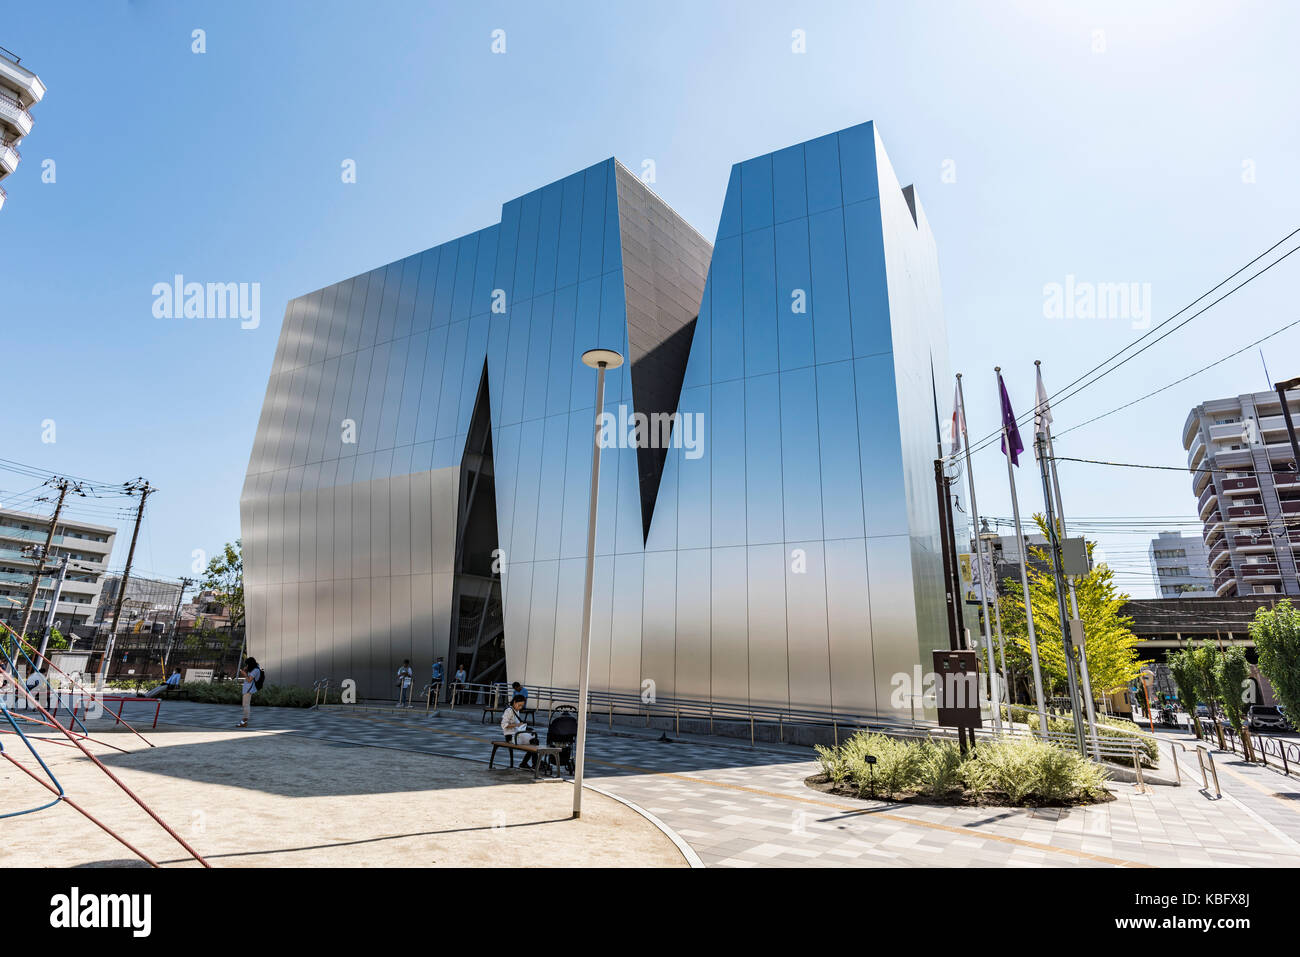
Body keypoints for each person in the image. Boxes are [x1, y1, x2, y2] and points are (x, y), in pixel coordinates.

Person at [500, 693, 537, 770]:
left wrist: (520, 726)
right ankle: (532, 764)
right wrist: (517, 725)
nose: (520, 707)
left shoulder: (516, 711)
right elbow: (504, 725)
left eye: (522, 706)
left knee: (534, 741)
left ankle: (527, 763)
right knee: (534, 742)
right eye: (519, 705)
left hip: (517, 734)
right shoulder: (509, 711)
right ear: (514, 702)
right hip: (511, 737)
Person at [237, 656, 261, 728]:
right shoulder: (254, 669)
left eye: (247, 664)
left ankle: (244, 722)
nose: (246, 666)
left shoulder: (255, 670)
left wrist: (244, 674)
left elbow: (249, 680)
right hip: (247, 689)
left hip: (249, 689)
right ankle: (244, 721)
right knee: (245, 705)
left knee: (246, 706)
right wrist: (246, 671)